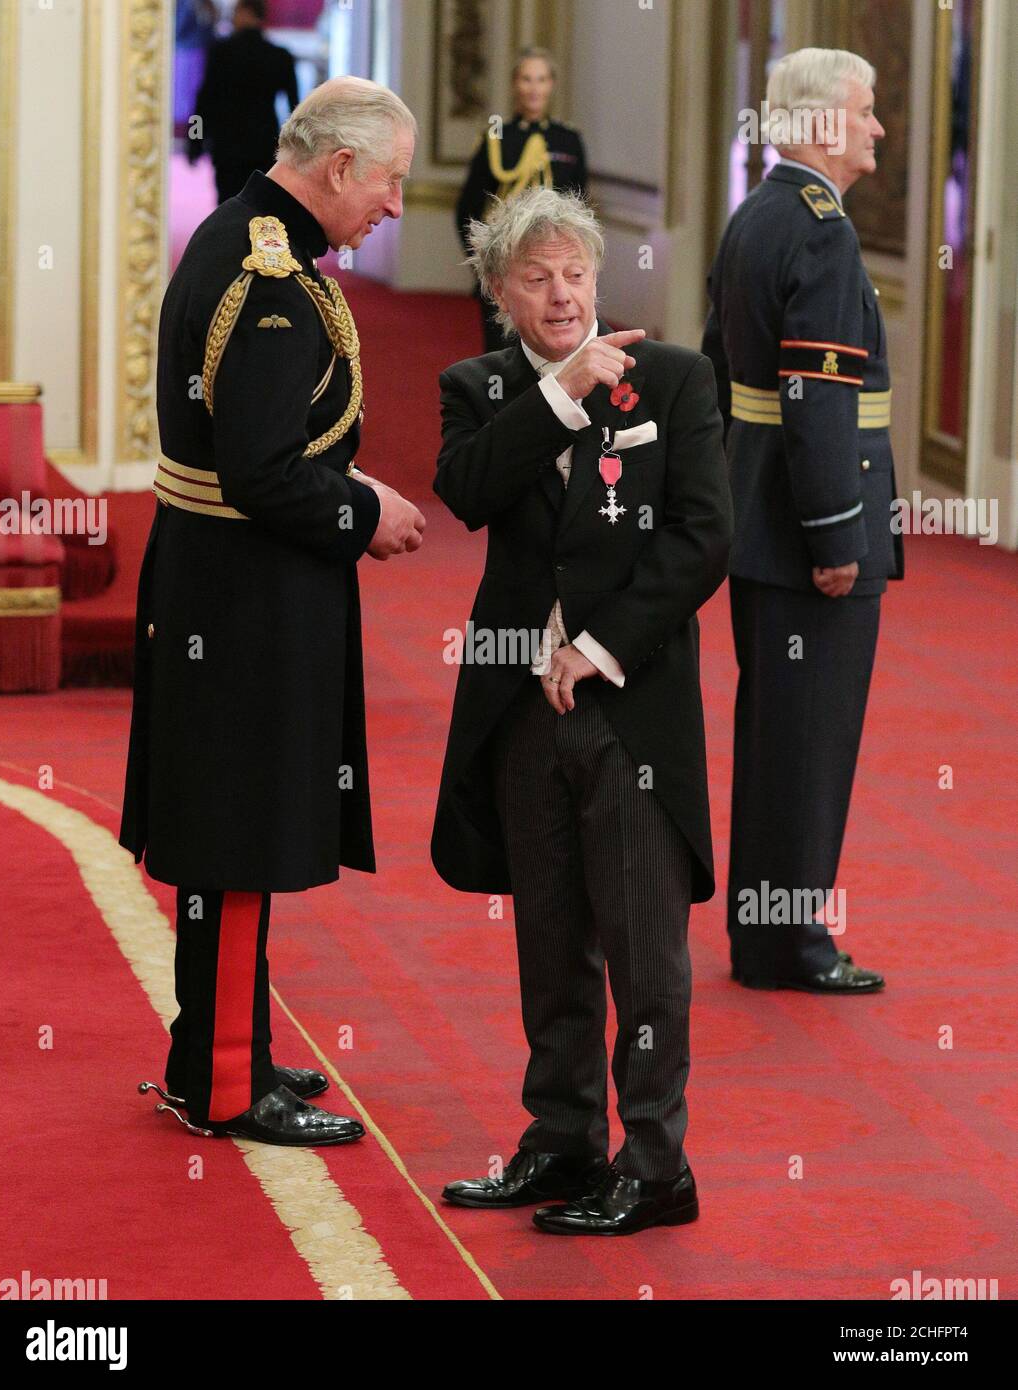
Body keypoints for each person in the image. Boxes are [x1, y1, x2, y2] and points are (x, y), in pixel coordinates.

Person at [121, 77, 425, 1146]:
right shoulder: (275, 279)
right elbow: (261, 471)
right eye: (388, 181)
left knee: (227, 827)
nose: (394, 205)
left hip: (225, 584)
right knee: (238, 833)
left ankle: (220, 1039)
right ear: (339, 168)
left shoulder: (254, 236)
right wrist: (364, 510)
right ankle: (224, 1081)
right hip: (243, 597)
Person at [432, 187, 732, 1235]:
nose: (560, 295)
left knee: (645, 950)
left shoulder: (678, 380)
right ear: (498, 292)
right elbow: (467, 489)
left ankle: (655, 1166)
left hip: (630, 708)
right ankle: (561, 1143)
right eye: (535, 278)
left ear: (599, 278)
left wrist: (599, 649)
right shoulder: (475, 390)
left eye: (575, 275)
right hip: (517, 705)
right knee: (550, 941)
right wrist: (557, 394)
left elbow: (701, 539)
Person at [702, 48, 904, 994]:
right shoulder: (820, 232)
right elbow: (816, 403)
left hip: (760, 522)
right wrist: (836, 537)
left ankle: (767, 934)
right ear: (824, 123)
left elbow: (717, 373)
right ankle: (791, 943)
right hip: (807, 533)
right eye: (865, 113)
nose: (876, 129)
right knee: (809, 749)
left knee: (780, 740)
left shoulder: (758, 214)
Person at [455, 48, 588, 352]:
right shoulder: (498, 136)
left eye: (541, 79)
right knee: (502, 357)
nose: (534, 88)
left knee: (555, 355)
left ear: (551, 84)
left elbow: (581, 208)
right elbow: (468, 207)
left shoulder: (568, 139)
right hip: (507, 263)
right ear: (515, 84)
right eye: (527, 79)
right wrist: (483, 266)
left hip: (556, 269)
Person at [191, 0, 300, 205]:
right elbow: (295, 107)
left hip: (227, 143)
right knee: (259, 204)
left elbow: (204, 99)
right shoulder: (280, 56)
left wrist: (194, 139)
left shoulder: (221, 53)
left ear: (245, 12)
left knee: (227, 202)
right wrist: (294, 148)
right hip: (264, 140)